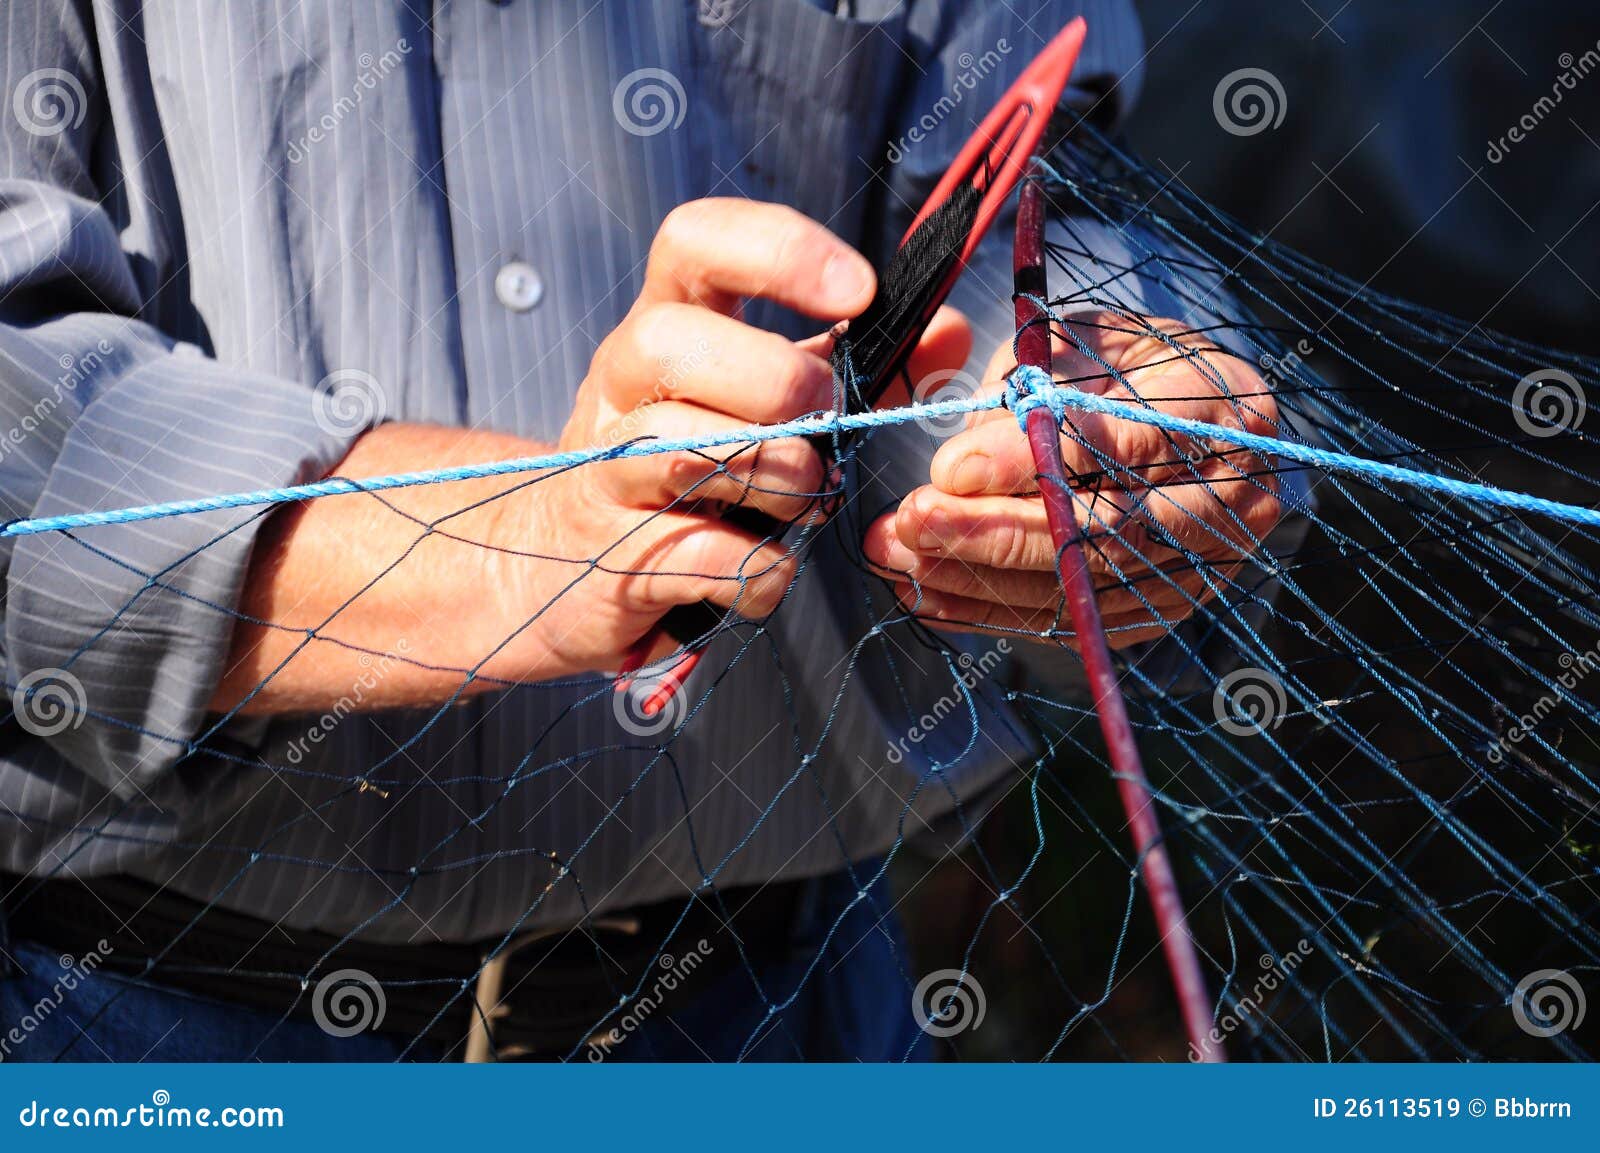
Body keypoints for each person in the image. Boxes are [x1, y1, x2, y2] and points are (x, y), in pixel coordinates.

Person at [0, 0, 1278, 1061]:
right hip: (127, 1016)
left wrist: (1085, 398)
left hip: (785, 1012)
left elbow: (1034, 195)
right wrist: (516, 533)